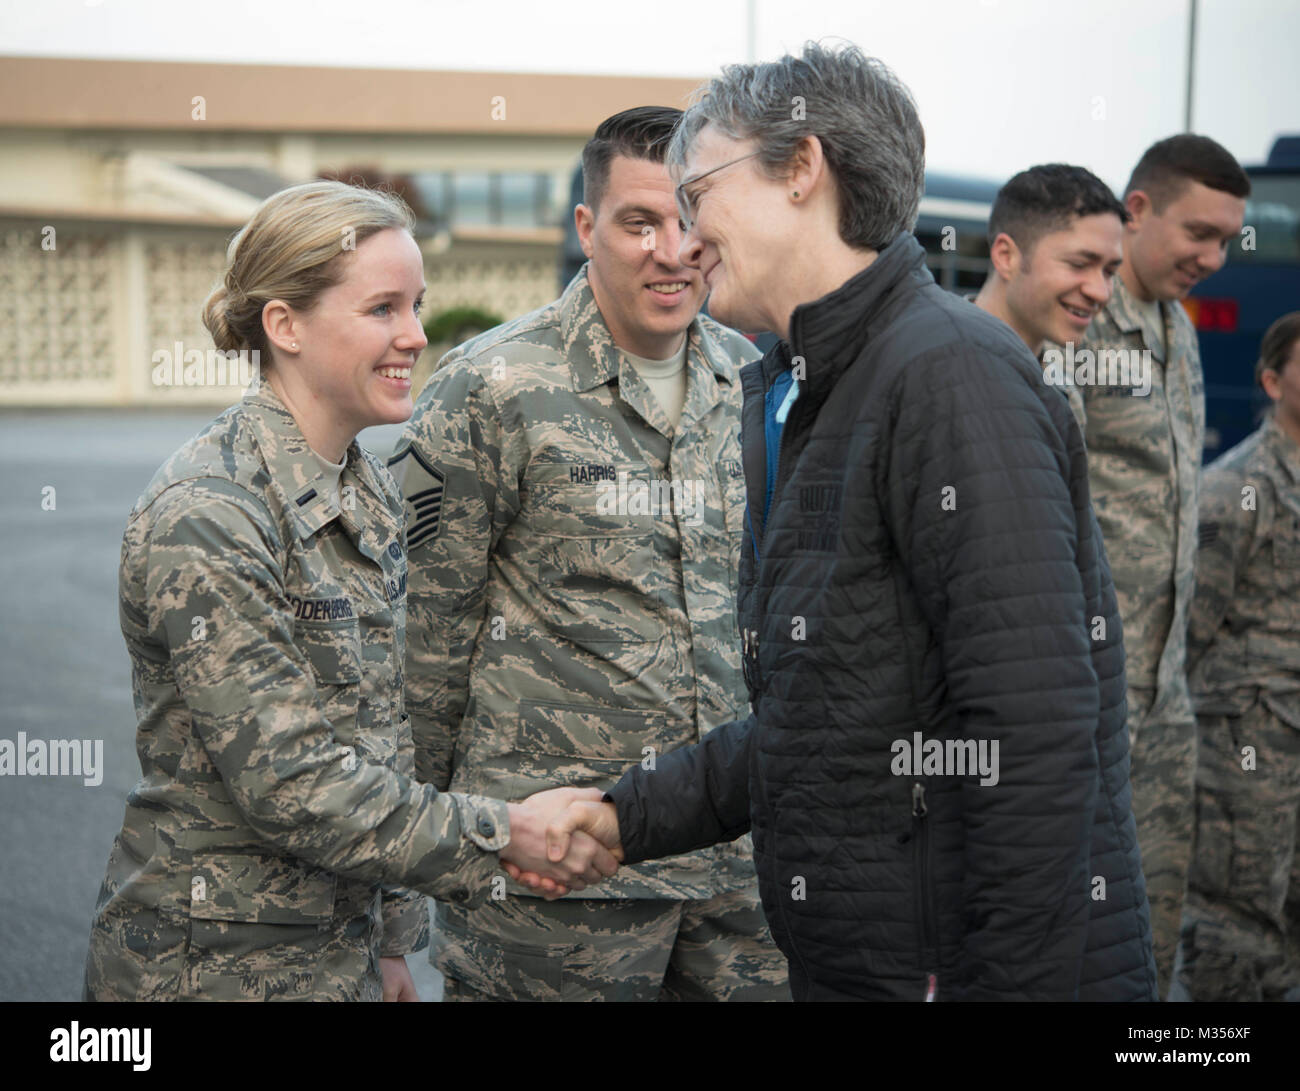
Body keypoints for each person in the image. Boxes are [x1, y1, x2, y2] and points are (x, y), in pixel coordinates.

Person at [515, 42, 1157, 1002]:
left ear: (802, 168)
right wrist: (626, 814)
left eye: (698, 198)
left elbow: (1034, 736)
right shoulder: (802, 387)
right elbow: (824, 715)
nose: (685, 242)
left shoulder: (948, 373)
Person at [82, 180, 618, 1003]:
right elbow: (293, 780)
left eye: (417, 305)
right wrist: (507, 831)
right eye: (382, 310)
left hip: (341, 954)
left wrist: (394, 941)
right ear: (284, 324)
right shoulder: (211, 511)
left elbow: (381, 731)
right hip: (212, 966)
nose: (415, 335)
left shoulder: (367, 487)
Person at [389, 106, 788, 1002]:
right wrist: (393, 919)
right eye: (638, 222)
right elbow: (420, 654)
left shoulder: (756, 381)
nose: (672, 249)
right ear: (585, 228)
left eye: (689, 218)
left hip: (737, 882)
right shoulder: (484, 390)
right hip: (553, 881)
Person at [1061, 134, 1250, 996]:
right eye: (1199, 234)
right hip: (1088, 685)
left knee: (1153, 926)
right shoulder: (1078, 321)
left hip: (1166, 690)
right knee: (1067, 927)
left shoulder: (1177, 325)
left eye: (1225, 241)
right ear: (1137, 210)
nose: (1212, 259)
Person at [1177, 312, 1300, 1001]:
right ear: (1270, 380)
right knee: (1233, 921)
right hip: (1247, 748)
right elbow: (1191, 624)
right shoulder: (1238, 486)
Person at [972, 163, 1126, 368]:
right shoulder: (940, 367)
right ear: (1006, 257)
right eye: (1078, 264)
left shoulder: (1064, 381)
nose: (1101, 293)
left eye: (1110, 272)